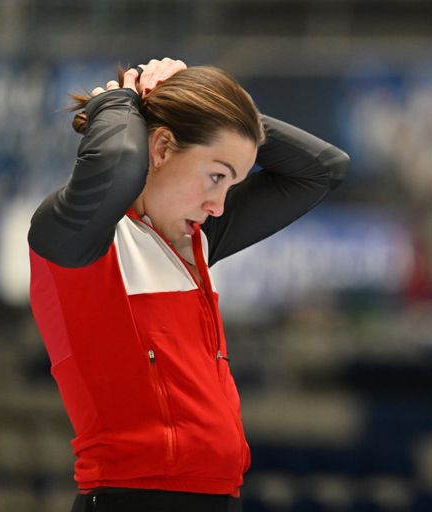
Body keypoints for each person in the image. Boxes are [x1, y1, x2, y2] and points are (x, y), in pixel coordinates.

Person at [28, 58, 349, 512]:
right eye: (217, 175)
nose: (219, 206)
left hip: (218, 498)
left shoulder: (193, 238)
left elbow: (322, 168)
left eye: (233, 182)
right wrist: (123, 99)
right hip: (135, 499)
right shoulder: (73, 236)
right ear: (159, 148)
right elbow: (117, 161)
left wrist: (208, 105)